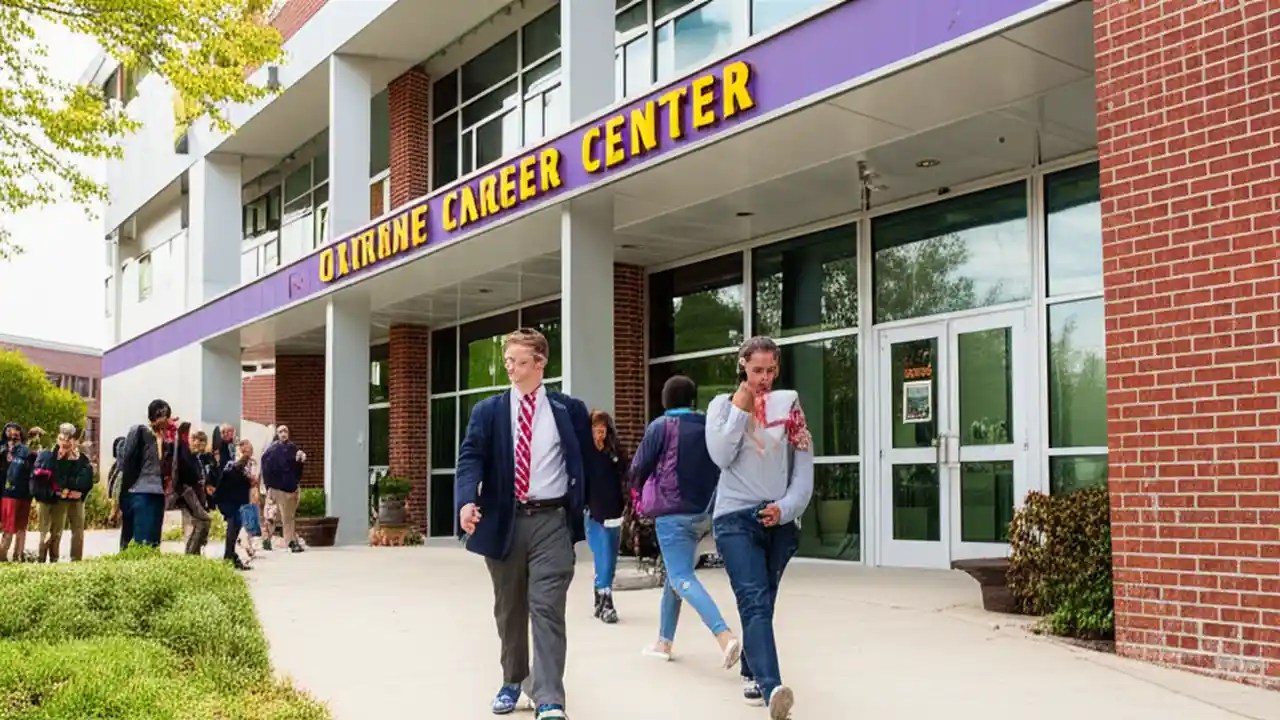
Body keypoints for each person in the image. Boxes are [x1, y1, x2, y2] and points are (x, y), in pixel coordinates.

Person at [455, 328, 591, 720]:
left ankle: (549, 698)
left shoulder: (569, 411)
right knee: (510, 609)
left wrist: (598, 508)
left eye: (518, 361)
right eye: (508, 361)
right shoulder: (489, 411)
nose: (510, 368)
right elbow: (470, 461)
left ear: (540, 363)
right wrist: (467, 502)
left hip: (552, 520)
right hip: (504, 521)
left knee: (547, 607)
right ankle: (513, 680)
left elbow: (586, 464)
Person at [706, 336, 814, 720]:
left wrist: (785, 509)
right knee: (753, 599)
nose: (763, 378)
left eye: (770, 370)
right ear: (743, 368)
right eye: (756, 371)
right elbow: (720, 455)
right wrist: (741, 407)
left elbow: (803, 471)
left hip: (778, 522)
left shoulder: (790, 407)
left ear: (778, 369)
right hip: (734, 519)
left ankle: (751, 669)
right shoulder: (720, 407)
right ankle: (773, 688)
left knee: (763, 601)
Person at [632, 375, 740, 669]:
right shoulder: (708, 426)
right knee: (674, 574)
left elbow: (638, 467)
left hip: (671, 514)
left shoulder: (661, 426)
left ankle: (724, 635)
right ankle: (663, 642)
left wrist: (637, 496)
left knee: (681, 576)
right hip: (704, 513)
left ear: (666, 400)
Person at [584, 410, 627, 624]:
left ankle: (600, 593)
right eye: (595, 428)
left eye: (602, 428)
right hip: (592, 512)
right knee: (602, 554)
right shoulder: (585, 453)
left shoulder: (614, 451)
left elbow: (625, 474)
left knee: (610, 556)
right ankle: (607, 599)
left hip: (614, 511)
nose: (599, 433)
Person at [31, 423, 94, 562]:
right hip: (59, 498)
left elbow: (87, 480)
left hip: (77, 499)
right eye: (62, 439)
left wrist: (80, 492)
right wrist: (65, 489)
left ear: (75, 441)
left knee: (78, 531)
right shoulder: (50, 456)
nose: (65, 442)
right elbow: (57, 478)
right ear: (58, 439)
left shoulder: (82, 459)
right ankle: (49, 558)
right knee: (54, 531)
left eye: (69, 439)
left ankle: (76, 559)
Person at [118, 399, 176, 548]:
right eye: (164, 416)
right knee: (140, 540)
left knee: (154, 540)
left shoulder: (166, 440)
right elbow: (128, 462)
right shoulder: (139, 431)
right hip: (140, 491)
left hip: (158, 492)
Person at [260, 424, 306, 552]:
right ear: (277, 434)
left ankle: (290, 541)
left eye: (286, 431)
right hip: (276, 488)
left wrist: (299, 464)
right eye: (281, 431)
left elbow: (297, 466)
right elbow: (265, 466)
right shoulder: (272, 450)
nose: (284, 433)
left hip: (288, 487)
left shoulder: (292, 448)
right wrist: (268, 484)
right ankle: (267, 539)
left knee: (288, 517)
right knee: (272, 515)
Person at [210, 438, 255, 571]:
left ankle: (230, 555)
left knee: (236, 526)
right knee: (233, 526)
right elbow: (230, 474)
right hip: (227, 499)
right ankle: (229, 556)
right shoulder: (232, 464)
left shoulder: (246, 465)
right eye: (245, 450)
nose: (247, 453)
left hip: (236, 500)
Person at [173, 422, 212, 556]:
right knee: (203, 522)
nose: (199, 445)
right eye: (196, 441)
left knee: (199, 524)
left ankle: (194, 553)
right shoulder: (185, 453)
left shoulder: (196, 458)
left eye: (202, 443)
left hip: (194, 493)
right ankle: (191, 554)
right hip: (187, 493)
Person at [0, 423, 32, 561]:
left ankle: (18, 555)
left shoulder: (25, 451)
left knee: (21, 526)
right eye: (10, 434)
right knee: (8, 525)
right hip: (8, 493)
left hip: (24, 493)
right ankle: (2, 555)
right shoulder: (2, 450)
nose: (13, 438)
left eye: (16, 435)